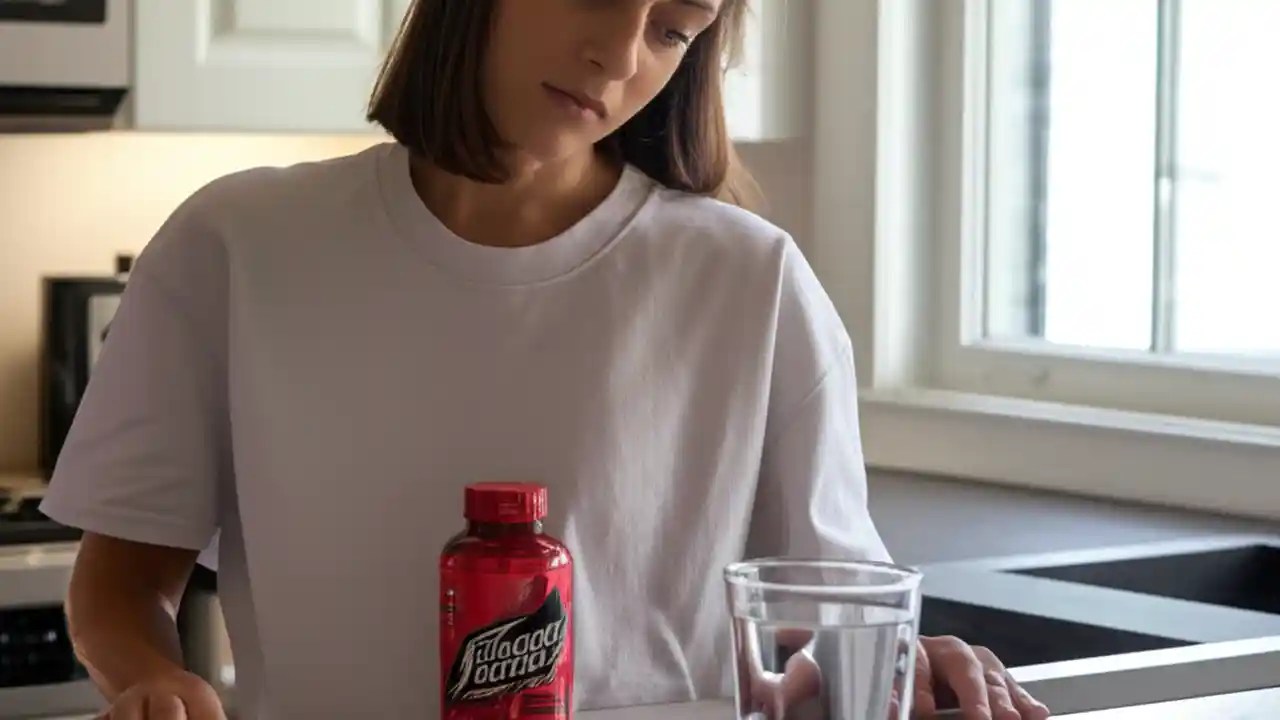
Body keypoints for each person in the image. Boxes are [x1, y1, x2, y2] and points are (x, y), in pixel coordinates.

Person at [41, 1, 1052, 718]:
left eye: (670, 28)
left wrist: (919, 664)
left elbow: (829, 624)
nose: (617, 55)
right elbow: (123, 581)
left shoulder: (750, 281)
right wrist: (148, 679)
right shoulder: (238, 244)